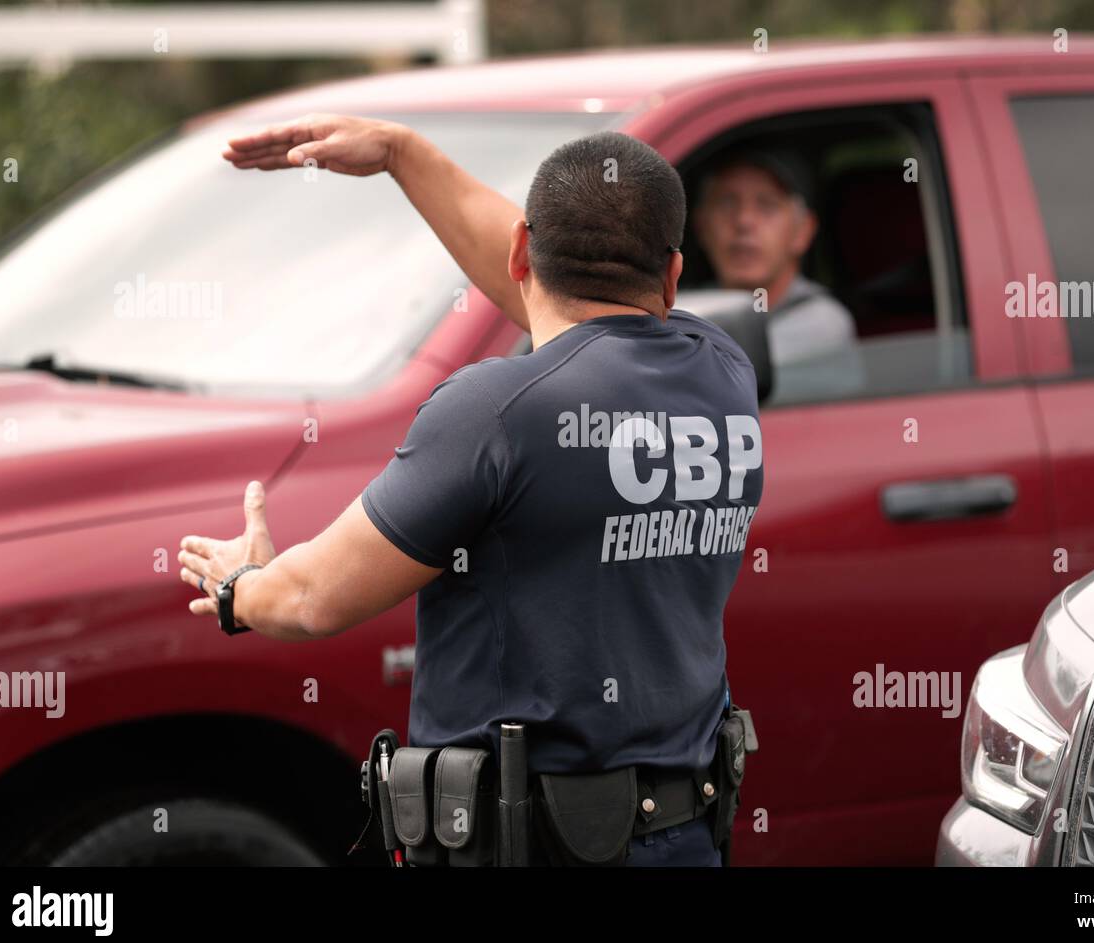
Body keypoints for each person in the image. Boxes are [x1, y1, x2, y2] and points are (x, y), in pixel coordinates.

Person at [177, 115, 763, 866]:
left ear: (522, 252)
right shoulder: (722, 370)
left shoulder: (498, 411)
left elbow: (312, 599)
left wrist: (239, 589)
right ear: (674, 277)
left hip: (531, 849)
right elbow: (585, 329)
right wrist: (403, 155)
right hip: (683, 834)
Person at [691, 146, 858, 401]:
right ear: (701, 225)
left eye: (767, 205)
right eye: (727, 202)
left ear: (803, 231)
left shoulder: (824, 323)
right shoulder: (684, 307)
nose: (744, 221)